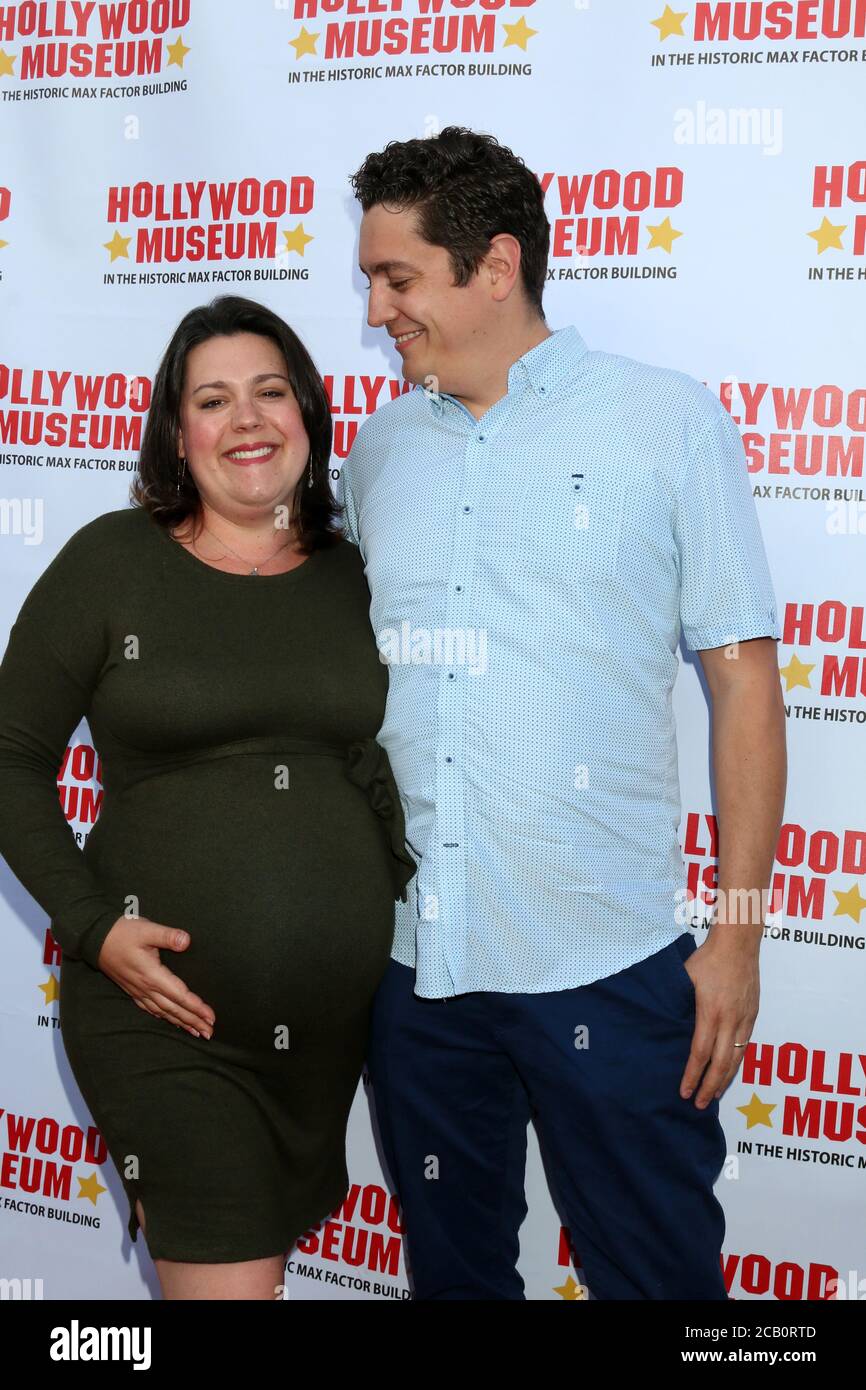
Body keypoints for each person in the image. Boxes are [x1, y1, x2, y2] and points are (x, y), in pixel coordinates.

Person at [341, 127, 787, 1300]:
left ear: (493, 266)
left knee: (660, 1284)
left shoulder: (664, 422)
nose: (377, 307)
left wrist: (735, 934)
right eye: (370, 280)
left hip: (606, 961)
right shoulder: (378, 451)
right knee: (456, 1279)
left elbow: (742, 680)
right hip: (415, 965)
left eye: (396, 278)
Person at [0, 295, 416, 1301]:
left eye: (271, 392)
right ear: (176, 433)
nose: (247, 419)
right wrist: (95, 928)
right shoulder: (113, 562)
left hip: (323, 1038)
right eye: (214, 398)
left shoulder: (357, 574)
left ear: (309, 415)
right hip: (164, 1021)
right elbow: (10, 756)